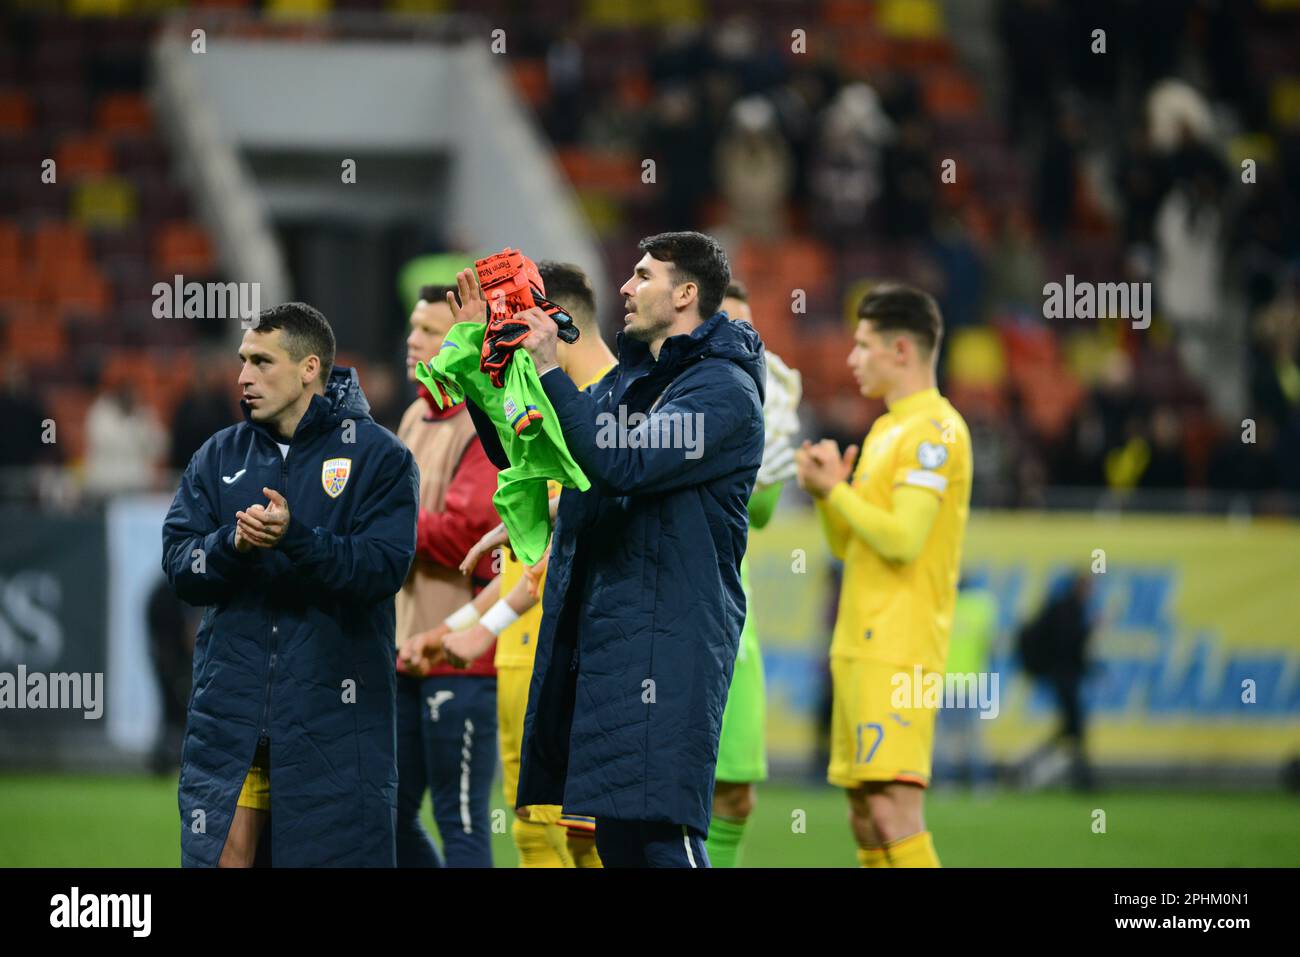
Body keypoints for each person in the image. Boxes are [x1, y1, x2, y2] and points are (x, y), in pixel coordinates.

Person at [502, 231, 765, 867]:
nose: (625, 286)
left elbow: (624, 462)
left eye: (643, 275)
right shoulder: (635, 382)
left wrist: (547, 367)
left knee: (660, 841)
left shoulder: (722, 391)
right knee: (621, 842)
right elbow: (552, 455)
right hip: (614, 641)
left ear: (686, 293)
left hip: (668, 645)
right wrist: (490, 368)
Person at [162, 302, 418, 867]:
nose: (242, 376)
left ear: (308, 369)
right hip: (232, 721)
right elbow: (180, 565)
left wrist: (295, 539)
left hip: (334, 724)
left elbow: (381, 569)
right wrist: (231, 545)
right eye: (241, 361)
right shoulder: (218, 455)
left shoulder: (379, 457)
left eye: (260, 361)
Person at [406, 262, 617, 867]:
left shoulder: (613, 402)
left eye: (506, 318)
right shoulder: (533, 398)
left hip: (585, 651)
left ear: (557, 320)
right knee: (531, 832)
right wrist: (457, 630)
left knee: (587, 837)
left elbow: (570, 541)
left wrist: (481, 629)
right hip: (524, 649)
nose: (500, 330)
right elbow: (529, 548)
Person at [795, 283, 972, 868]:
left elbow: (902, 540)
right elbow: (847, 544)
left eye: (864, 345)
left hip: (900, 648)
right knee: (866, 813)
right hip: (859, 642)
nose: (852, 359)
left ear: (901, 350)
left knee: (895, 808)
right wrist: (828, 496)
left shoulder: (936, 432)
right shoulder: (885, 430)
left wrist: (837, 493)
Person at [391, 285, 502, 868]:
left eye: (431, 331)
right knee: (390, 812)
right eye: (414, 328)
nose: (414, 341)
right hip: (408, 648)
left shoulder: (482, 427)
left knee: (459, 822)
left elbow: (465, 533)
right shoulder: (414, 416)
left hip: (462, 657)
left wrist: (382, 523)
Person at [704, 280, 802, 867]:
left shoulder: (761, 403)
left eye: (749, 332)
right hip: (678, 614)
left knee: (736, 795)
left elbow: (759, 515)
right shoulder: (671, 398)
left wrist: (764, 460)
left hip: (736, 618)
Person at [1016, 572, 1096, 791]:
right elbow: (1068, 645)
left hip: (1063, 676)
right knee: (1074, 729)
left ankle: (1081, 778)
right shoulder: (1068, 610)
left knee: (1071, 729)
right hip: (1064, 678)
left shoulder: (1063, 607)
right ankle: (1083, 780)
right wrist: (1092, 629)